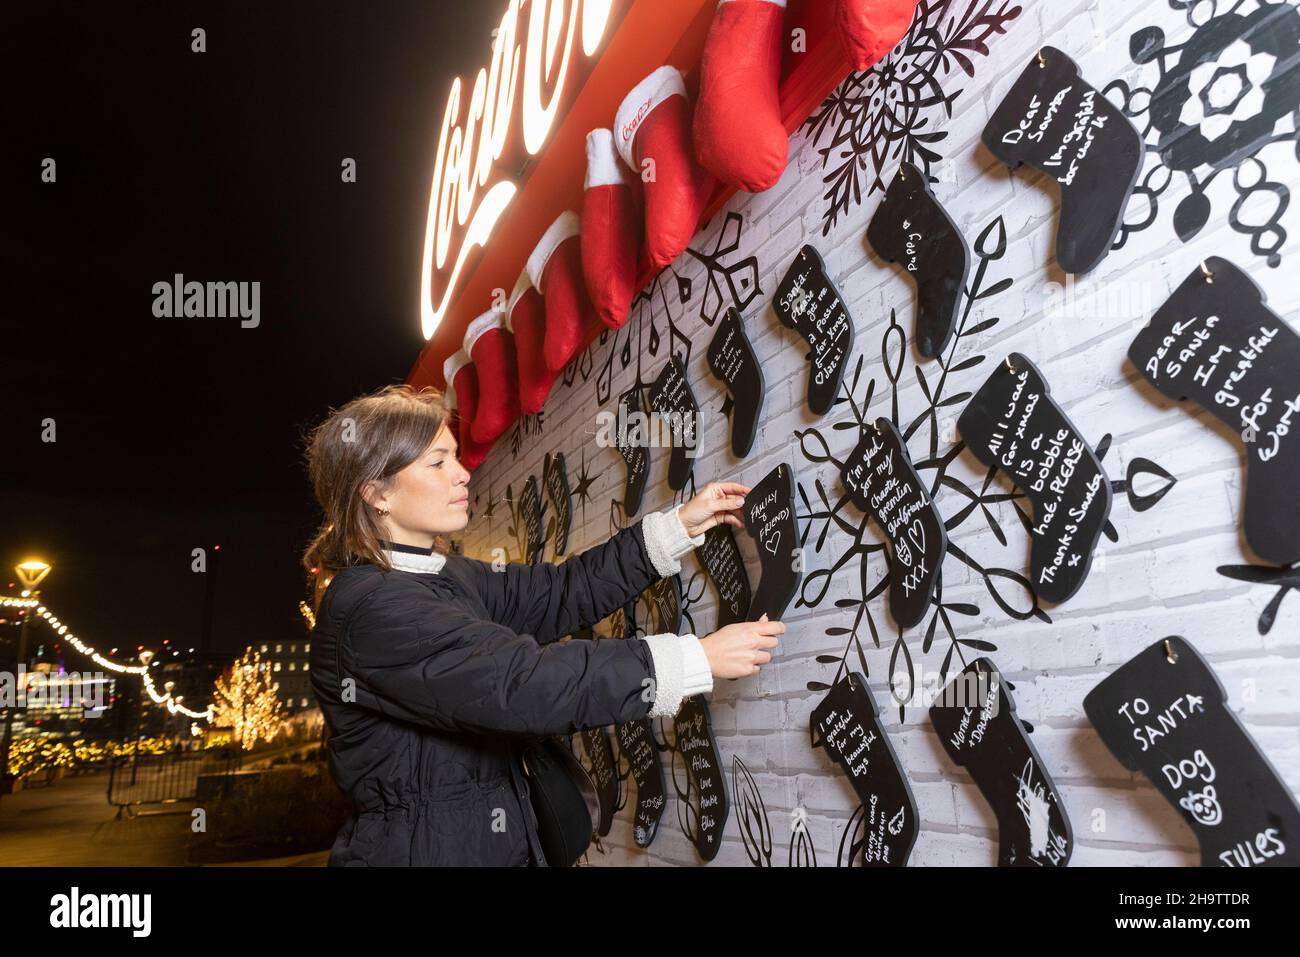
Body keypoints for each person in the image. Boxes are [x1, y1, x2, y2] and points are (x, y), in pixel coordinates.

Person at [303, 383, 783, 865]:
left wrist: (679, 526)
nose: (463, 474)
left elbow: (559, 592)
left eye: (455, 458)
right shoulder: (367, 608)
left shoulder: (446, 575)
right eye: (438, 463)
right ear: (377, 493)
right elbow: (520, 682)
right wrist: (693, 658)